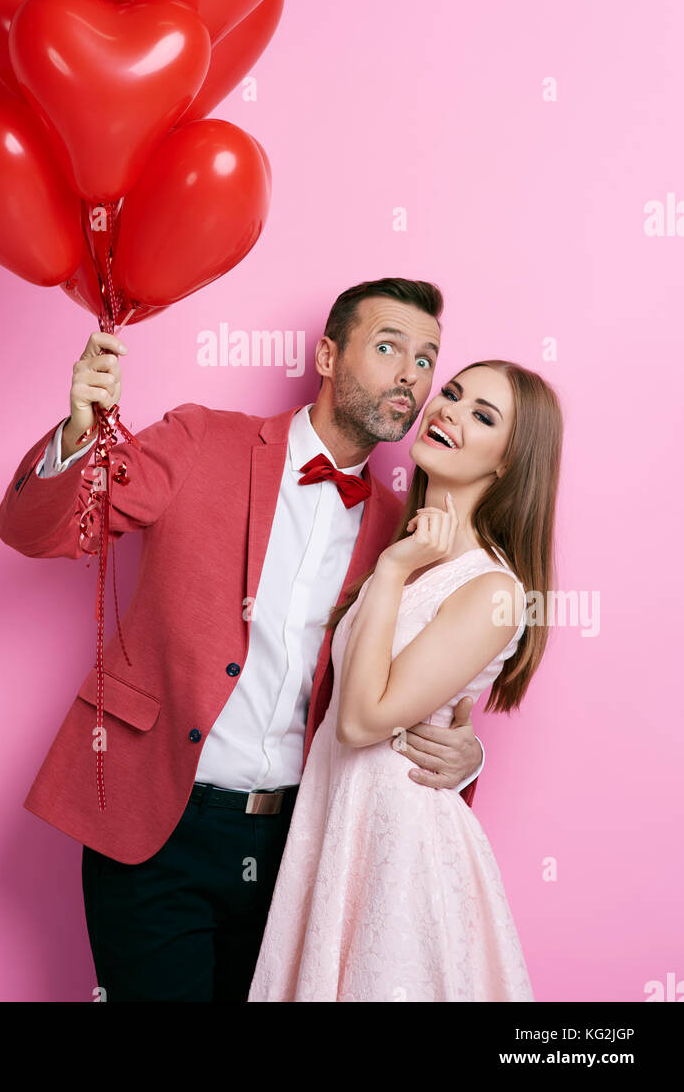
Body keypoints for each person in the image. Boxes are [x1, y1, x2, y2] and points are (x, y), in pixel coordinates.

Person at [0, 279, 487, 1002]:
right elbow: (39, 532)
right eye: (387, 347)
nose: (409, 375)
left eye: (426, 360)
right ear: (327, 354)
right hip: (153, 823)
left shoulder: (401, 532)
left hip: (301, 845)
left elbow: (408, 692)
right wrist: (76, 436)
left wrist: (465, 756)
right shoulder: (200, 439)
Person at [248, 359, 563, 1001]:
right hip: (337, 822)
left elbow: (362, 720)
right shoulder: (413, 552)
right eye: (450, 393)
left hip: (400, 848)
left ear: (508, 463)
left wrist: (390, 571)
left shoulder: (491, 587)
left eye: (482, 415)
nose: (447, 409)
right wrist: (398, 565)